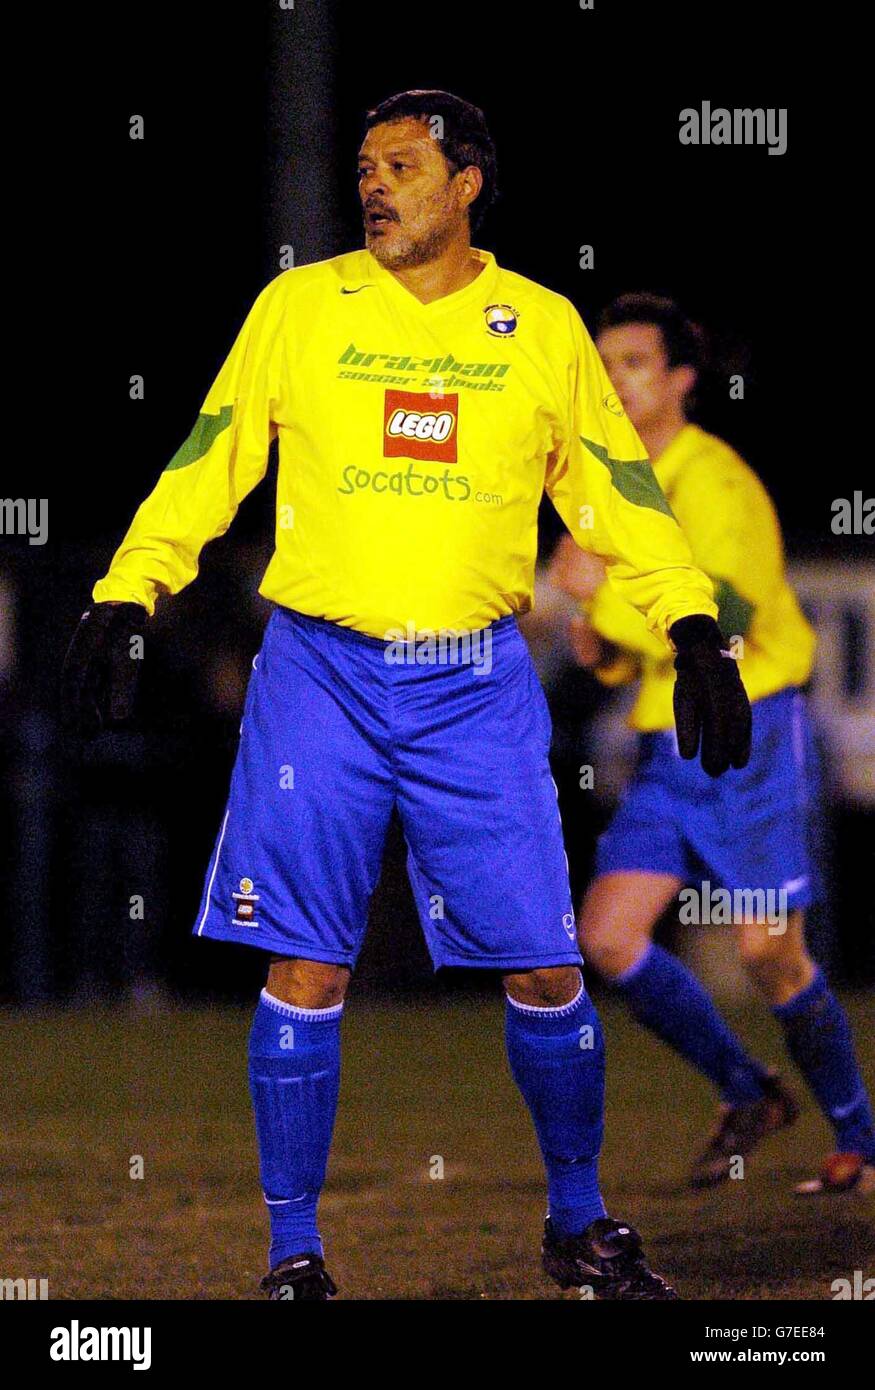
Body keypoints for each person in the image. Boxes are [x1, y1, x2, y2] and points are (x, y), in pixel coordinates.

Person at [61, 93, 751, 1301]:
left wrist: (692, 624)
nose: (373, 185)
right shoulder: (300, 307)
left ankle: (578, 1224)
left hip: (472, 687)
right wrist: (129, 592)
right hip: (319, 675)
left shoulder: (535, 326)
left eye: (401, 165)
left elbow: (618, 493)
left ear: (467, 180)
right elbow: (209, 452)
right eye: (365, 167)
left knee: (545, 963)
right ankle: (292, 1252)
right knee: (304, 966)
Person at [549, 292, 875, 1197]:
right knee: (607, 937)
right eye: (602, 364)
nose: (612, 379)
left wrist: (598, 602)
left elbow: (722, 618)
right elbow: (632, 641)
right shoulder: (616, 488)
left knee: (769, 950)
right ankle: (748, 1090)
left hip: (750, 735)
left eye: (633, 363)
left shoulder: (715, 478)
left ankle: (860, 1139)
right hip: (669, 748)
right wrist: (601, 638)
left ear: (681, 380)